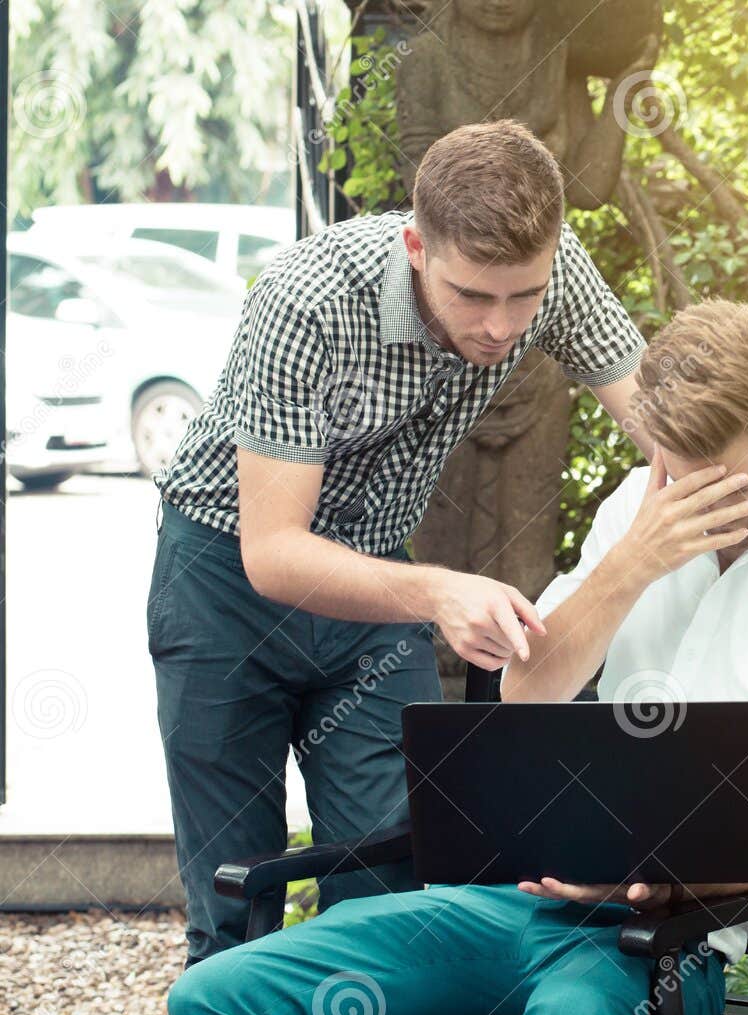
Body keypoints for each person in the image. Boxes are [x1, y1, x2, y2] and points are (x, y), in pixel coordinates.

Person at [165, 300, 748, 1015]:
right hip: (507, 906)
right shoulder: (636, 505)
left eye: (730, 487)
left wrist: (654, 874)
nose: (695, 508)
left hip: (655, 948)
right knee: (217, 999)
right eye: (680, 478)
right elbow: (524, 694)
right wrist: (632, 564)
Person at [148, 119, 653, 966]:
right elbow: (274, 552)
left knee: (395, 899)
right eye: (474, 296)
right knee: (237, 905)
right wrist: (440, 593)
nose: (502, 327)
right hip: (223, 581)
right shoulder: (306, 298)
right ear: (417, 246)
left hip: (373, 594)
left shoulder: (549, 271)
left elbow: (662, 424)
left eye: (523, 298)